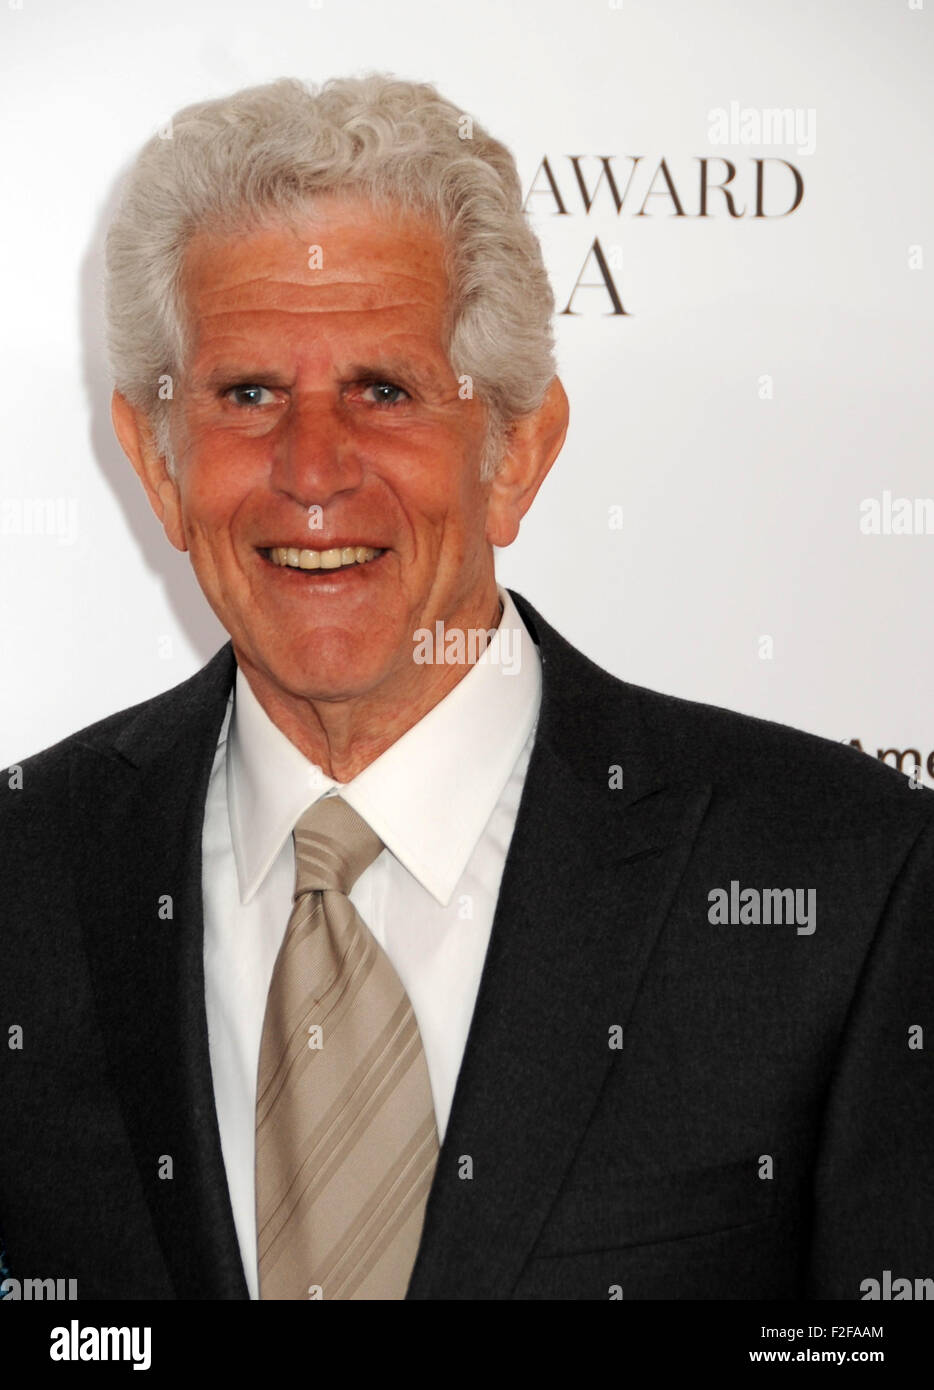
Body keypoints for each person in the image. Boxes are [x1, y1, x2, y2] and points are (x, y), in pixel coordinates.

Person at [2, 73, 932, 1303]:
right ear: (157, 465)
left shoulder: (842, 878)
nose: (312, 470)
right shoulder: (25, 876)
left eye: (383, 391)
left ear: (515, 451)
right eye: (248, 396)